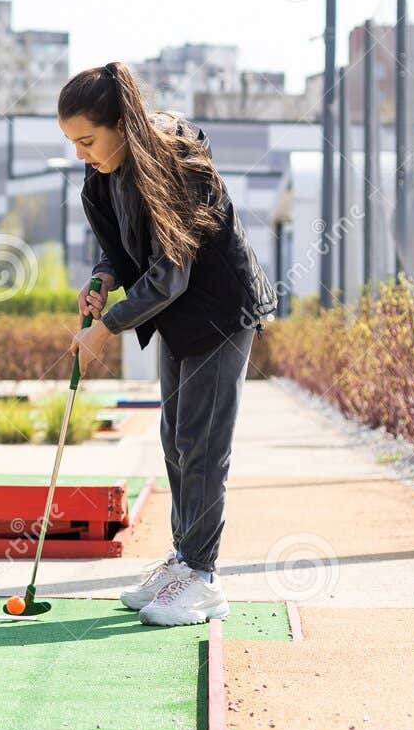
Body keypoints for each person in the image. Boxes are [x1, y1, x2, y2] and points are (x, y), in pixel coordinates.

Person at [60, 60, 277, 625]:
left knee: (202, 445)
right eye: (72, 144)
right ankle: (184, 559)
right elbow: (125, 250)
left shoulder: (175, 164)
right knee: (176, 440)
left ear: (122, 124)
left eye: (87, 140)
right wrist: (103, 282)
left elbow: (172, 271)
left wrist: (106, 328)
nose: (81, 153)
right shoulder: (105, 175)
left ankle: (203, 580)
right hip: (177, 316)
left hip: (220, 311)